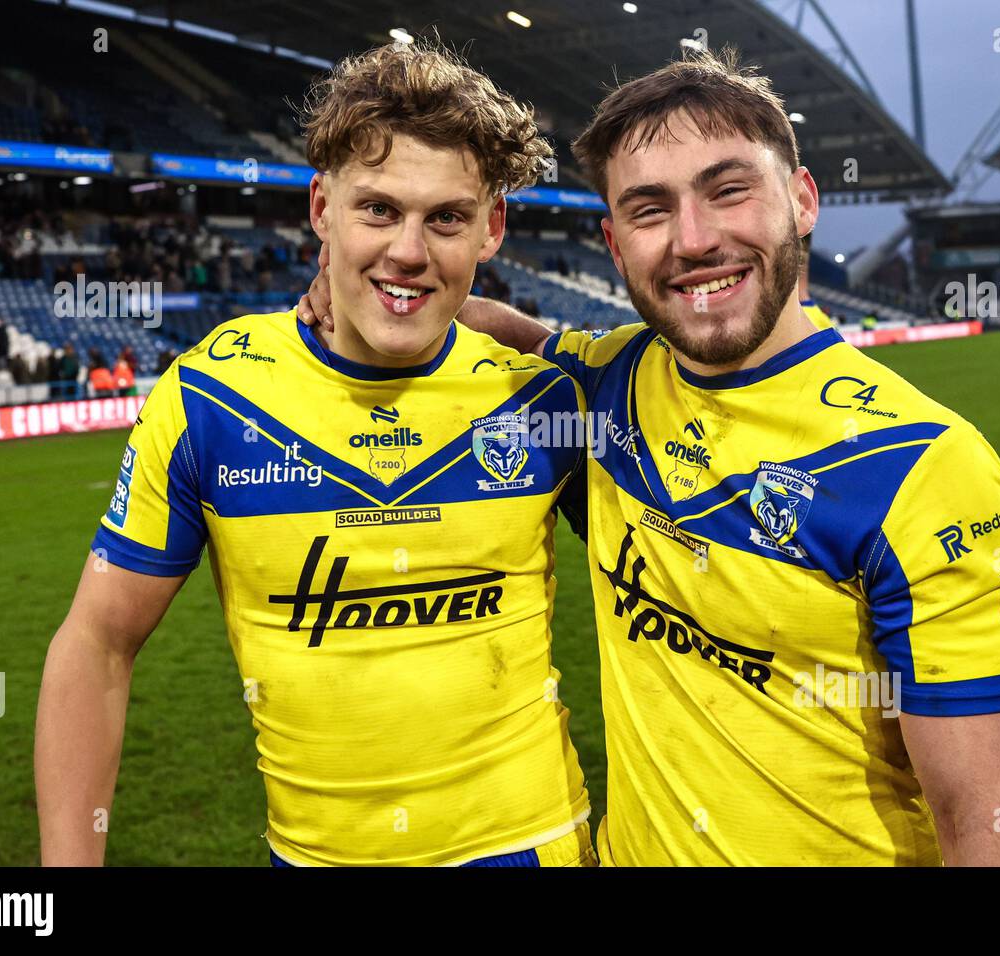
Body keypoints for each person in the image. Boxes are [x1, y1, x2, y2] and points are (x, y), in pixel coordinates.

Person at [301, 47, 1000, 867]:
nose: (694, 241)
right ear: (615, 247)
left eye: (729, 190)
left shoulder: (925, 467)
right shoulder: (606, 382)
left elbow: (986, 825)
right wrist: (341, 286)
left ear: (801, 201)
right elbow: (491, 323)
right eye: (650, 211)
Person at [36, 41, 594, 869]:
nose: (409, 249)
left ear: (493, 228)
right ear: (320, 207)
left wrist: (521, 332)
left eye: (446, 217)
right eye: (377, 210)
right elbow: (95, 643)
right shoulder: (212, 399)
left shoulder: (545, 398)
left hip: (535, 849)